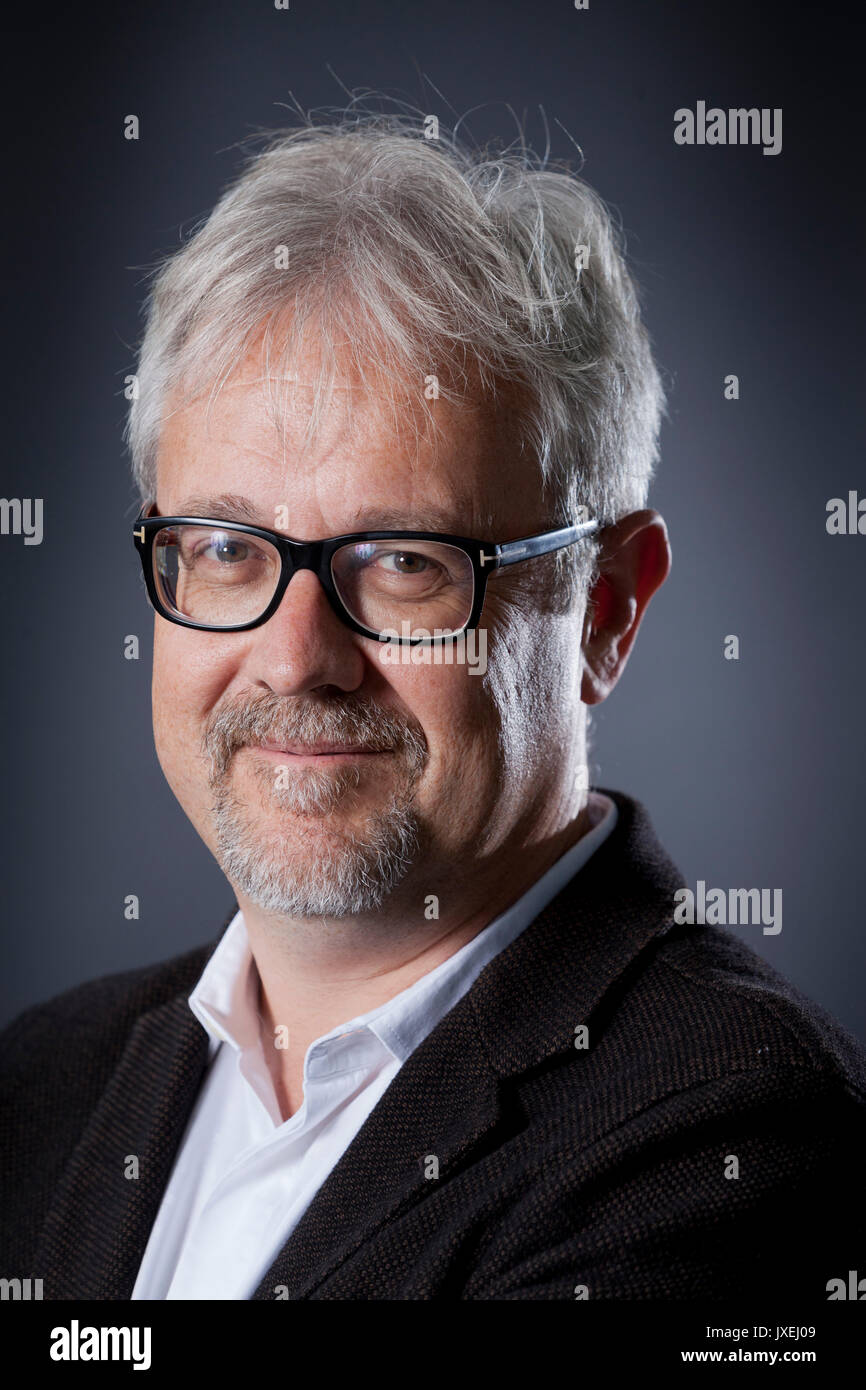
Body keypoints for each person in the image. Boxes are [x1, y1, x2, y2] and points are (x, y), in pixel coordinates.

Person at [2, 112, 864, 1301]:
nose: (295, 658)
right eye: (224, 549)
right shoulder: (43, 1081)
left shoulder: (729, 1136)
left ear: (604, 608)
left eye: (403, 561)